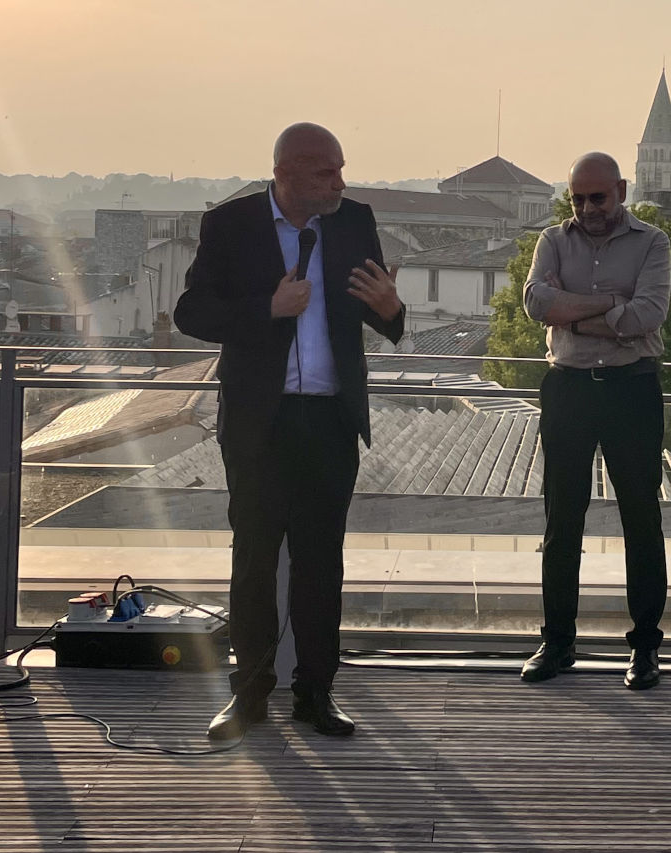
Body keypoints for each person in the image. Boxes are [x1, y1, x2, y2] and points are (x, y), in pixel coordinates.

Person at [175, 123, 405, 739]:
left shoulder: (354, 221)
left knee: (320, 561)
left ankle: (316, 694)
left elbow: (381, 307)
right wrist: (266, 310)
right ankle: (248, 695)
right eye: (326, 173)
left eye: (340, 170)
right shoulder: (231, 225)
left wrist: (392, 312)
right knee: (253, 561)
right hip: (259, 422)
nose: (340, 182)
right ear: (287, 172)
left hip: (330, 418)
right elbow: (190, 313)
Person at [519, 152, 671, 690]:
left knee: (641, 520)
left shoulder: (653, 242)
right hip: (569, 391)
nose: (587, 208)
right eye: (578, 198)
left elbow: (647, 316)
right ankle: (557, 643)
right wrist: (611, 304)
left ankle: (646, 648)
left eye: (597, 197)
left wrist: (575, 310)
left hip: (632, 390)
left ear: (622, 191)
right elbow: (536, 303)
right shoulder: (552, 241)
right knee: (563, 521)